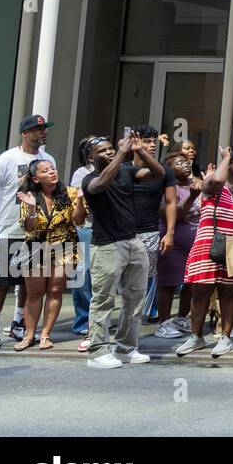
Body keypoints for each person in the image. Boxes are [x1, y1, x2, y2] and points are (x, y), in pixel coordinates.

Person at [176, 149, 233, 358]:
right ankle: (196, 336)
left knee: (228, 291)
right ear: (228, 164)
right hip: (207, 242)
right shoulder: (212, 185)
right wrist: (225, 157)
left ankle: (226, 337)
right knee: (201, 291)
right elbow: (214, 183)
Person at [82, 133, 160, 368]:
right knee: (104, 300)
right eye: (102, 151)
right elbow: (102, 183)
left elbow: (158, 174)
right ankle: (97, 352)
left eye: (110, 148)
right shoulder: (89, 179)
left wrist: (141, 151)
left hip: (133, 241)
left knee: (135, 297)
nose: (109, 152)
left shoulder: (127, 171)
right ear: (91, 157)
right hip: (106, 245)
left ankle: (126, 348)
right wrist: (123, 155)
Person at [0, 114, 55, 351]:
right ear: (25, 133)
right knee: (1, 281)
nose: (43, 132)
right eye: (38, 129)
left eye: (44, 129)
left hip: (37, 231)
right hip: (8, 229)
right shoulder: (7, 158)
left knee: (29, 282)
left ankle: (19, 322)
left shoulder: (48, 158)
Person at [14, 158, 84, 349]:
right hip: (36, 248)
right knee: (34, 292)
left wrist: (79, 200)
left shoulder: (69, 192)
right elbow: (29, 228)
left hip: (65, 247)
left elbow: (78, 221)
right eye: (45, 171)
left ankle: (46, 334)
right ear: (36, 178)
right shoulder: (28, 195)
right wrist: (31, 208)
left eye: (52, 168)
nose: (52, 172)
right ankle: (29, 336)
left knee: (55, 291)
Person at [125, 127, 178, 331]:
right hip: (121, 233)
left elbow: (171, 202)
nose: (152, 145)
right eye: (147, 141)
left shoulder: (164, 172)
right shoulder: (122, 169)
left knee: (141, 285)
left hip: (149, 232)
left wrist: (170, 233)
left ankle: (136, 329)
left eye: (154, 141)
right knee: (114, 285)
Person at [154, 152, 203, 340]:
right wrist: (191, 197)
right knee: (168, 282)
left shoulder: (196, 182)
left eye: (187, 161)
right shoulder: (166, 186)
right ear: (168, 168)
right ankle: (164, 322)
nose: (186, 164)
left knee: (190, 281)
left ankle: (182, 318)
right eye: (180, 162)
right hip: (172, 238)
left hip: (195, 238)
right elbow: (173, 213)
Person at [68, 135, 100, 339]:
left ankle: (97, 320)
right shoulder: (81, 173)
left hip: (109, 230)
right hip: (85, 229)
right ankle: (82, 320)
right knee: (81, 275)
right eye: (101, 150)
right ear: (90, 156)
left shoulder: (116, 170)